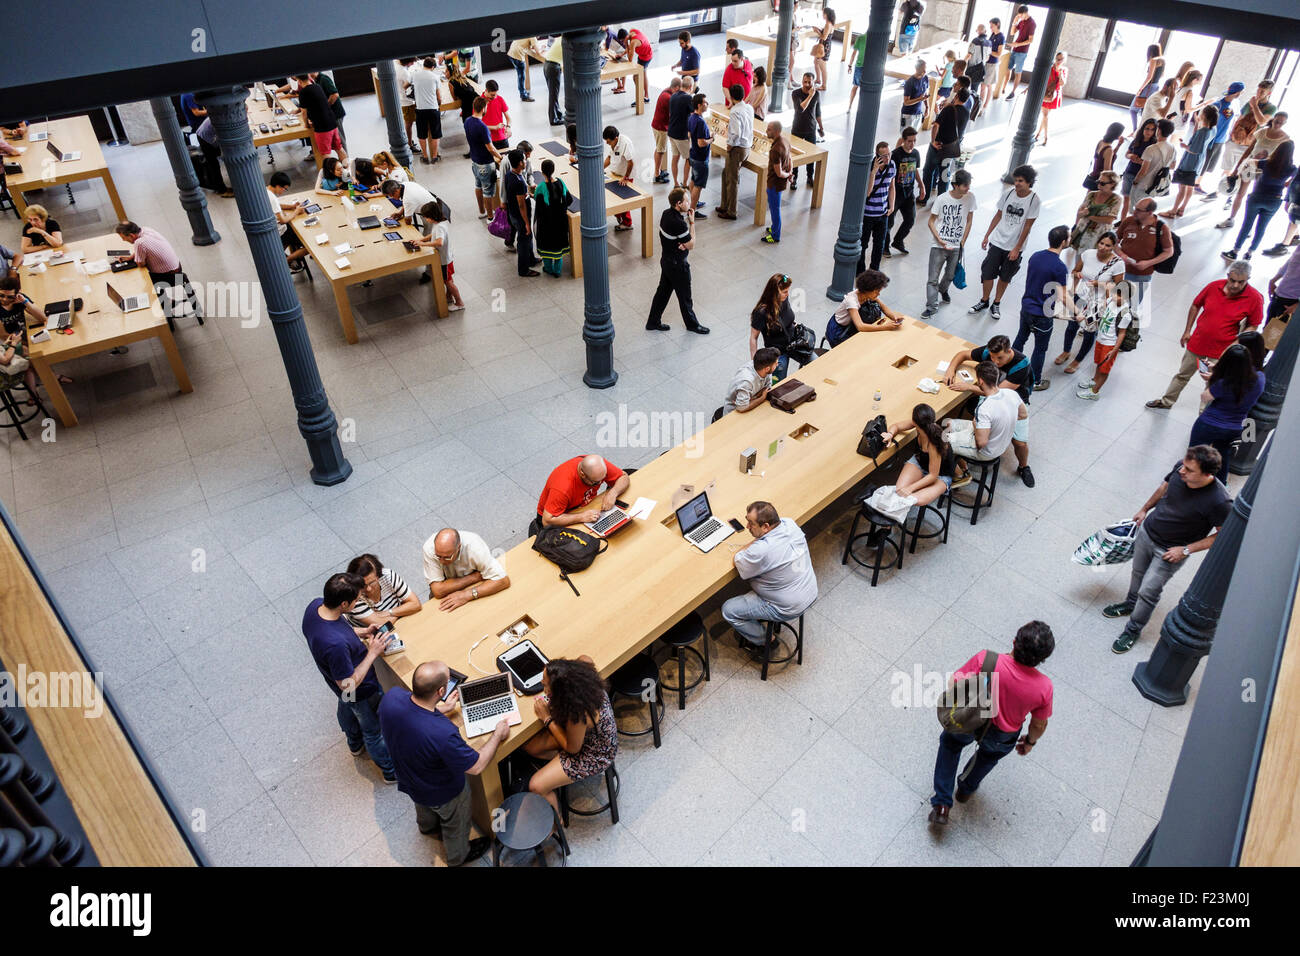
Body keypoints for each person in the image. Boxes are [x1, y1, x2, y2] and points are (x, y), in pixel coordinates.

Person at [378, 660, 507, 866]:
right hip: (443, 791)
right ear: (441, 690)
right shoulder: (443, 733)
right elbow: (477, 765)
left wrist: (441, 709)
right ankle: (458, 856)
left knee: (423, 806)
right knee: (456, 823)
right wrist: (498, 735)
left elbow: (414, 714)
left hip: (408, 776)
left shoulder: (392, 697)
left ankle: (427, 827)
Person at [1105, 447, 1231, 653]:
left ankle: (1133, 629)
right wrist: (1145, 509)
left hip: (1170, 551)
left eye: (1189, 470)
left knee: (1149, 590)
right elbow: (1164, 487)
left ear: (1207, 474)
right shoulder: (1180, 470)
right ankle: (1130, 603)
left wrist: (1186, 550)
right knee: (1137, 574)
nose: (1182, 471)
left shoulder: (1220, 501)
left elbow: (1222, 534)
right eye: (1183, 465)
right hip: (1148, 533)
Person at [927, 621, 1054, 825]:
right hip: (1004, 734)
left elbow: (954, 683)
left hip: (971, 720)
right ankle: (965, 790)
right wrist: (1029, 742)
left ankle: (942, 804)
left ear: (1014, 642)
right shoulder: (1044, 687)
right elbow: (1039, 724)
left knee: (950, 745)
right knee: (986, 759)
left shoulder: (988, 660)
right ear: (1043, 659)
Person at [302, 573, 397, 783]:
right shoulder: (334, 645)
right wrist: (372, 652)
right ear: (344, 603)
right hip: (360, 690)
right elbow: (348, 684)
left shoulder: (315, 607)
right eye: (355, 600)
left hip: (337, 682)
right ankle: (390, 771)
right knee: (373, 731)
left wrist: (362, 632)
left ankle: (354, 743)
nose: (358, 603)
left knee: (347, 708)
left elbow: (340, 629)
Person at [1146, 261, 1264, 409]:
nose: (1235, 285)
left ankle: (1204, 414)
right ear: (1228, 276)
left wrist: (1236, 344)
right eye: (1232, 280)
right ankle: (1166, 401)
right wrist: (1187, 330)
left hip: (1222, 352)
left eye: (1241, 282)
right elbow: (1196, 305)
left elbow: (1254, 324)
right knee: (1182, 375)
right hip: (1198, 344)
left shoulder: (1254, 298)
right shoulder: (1214, 286)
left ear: (1248, 279)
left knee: (1212, 382)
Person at [523, 656, 618, 816]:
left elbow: (573, 749)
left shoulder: (577, 713)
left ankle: (556, 822)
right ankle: (557, 768)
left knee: (536, 785)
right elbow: (586, 658)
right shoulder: (584, 668)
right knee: (531, 748)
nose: (544, 689)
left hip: (594, 753)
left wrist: (547, 718)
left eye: (546, 686)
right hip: (585, 735)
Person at [722, 501, 818, 650]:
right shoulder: (789, 524)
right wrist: (759, 537)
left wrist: (753, 543)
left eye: (751, 523)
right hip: (810, 590)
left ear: (766, 527)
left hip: (785, 606)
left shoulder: (761, 551)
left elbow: (738, 559)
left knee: (729, 610)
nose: (747, 527)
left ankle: (766, 640)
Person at [943, 339, 1034, 485]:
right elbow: (962, 354)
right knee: (982, 426)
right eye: (992, 357)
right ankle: (963, 467)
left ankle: (1024, 466)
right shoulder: (989, 351)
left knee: (1020, 442)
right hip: (996, 396)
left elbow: (998, 392)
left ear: (1009, 351)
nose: (995, 362)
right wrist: (950, 369)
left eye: (999, 358)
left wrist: (970, 388)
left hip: (1015, 401)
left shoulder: (1021, 365)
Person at [969, 165, 1040, 320]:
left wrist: (1017, 248)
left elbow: (1027, 226)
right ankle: (984, 300)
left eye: (1021, 181)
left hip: (1014, 246)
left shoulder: (1034, 200)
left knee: (1005, 277)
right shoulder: (1008, 194)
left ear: (1029, 182)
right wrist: (987, 235)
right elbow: (998, 214)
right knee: (987, 272)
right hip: (998, 241)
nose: (1017, 183)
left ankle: (997, 302)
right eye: (1016, 180)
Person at [1188, 344, 1265, 483]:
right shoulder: (1259, 378)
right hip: (1235, 428)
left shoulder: (1224, 383)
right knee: (1223, 456)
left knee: (1194, 454)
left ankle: (1191, 480)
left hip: (1209, 424)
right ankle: (1220, 485)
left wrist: (1212, 378)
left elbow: (1205, 397)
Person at [1057, 229, 1124, 375]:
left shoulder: (1118, 264)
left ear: (1113, 247)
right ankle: (1066, 351)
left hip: (1098, 302)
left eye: (1108, 246)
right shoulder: (1088, 254)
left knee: (1089, 332)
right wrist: (1077, 274)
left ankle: (1078, 360)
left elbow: (1118, 290)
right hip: (1081, 296)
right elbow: (1074, 271)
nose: (1103, 247)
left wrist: (1099, 284)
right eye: (1101, 243)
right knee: (1071, 326)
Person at [1012, 225, 1070, 390]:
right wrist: (1078, 313)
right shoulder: (1060, 267)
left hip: (1027, 307)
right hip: (1043, 314)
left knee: (1020, 338)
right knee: (1040, 348)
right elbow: (1063, 296)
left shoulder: (1035, 256)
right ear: (1064, 242)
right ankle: (1035, 380)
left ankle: (1009, 368)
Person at [112, 221, 202, 326]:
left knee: (142, 283)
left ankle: (162, 310)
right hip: (177, 268)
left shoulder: (139, 243)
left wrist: (135, 259)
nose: (123, 240)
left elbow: (141, 264)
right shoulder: (146, 230)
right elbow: (143, 252)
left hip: (169, 277)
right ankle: (167, 301)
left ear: (131, 235)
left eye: (124, 238)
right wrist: (132, 257)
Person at [647, 188, 709, 334]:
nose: (689, 203)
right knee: (685, 297)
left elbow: (683, 242)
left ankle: (653, 322)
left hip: (667, 261)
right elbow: (692, 244)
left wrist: (683, 243)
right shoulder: (679, 223)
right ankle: (692, 325)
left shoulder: (666, 214)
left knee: (662, 293)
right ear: (678, 204)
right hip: (678, 266)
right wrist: (692, 224)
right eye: (686, 201)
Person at [1224, 139, 1297, 261]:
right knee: (1261, 228)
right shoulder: (1292, 169)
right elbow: (1289, 184)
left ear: (1277, 150)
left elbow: (1249, 163)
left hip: (1257, 196)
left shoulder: (1265, 163)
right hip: (1274, 200)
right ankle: (1249, 253)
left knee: (1247, 225)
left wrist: (1257, 158)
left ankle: (1235, 251)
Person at [1074, 268, 1135, 401]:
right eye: (1115, 293)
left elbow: (1122, 333)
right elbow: (1108, 288)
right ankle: (1094, 381)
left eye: (1119, 295)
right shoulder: (1111, 302)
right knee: (1099, 364)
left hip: (1110, 344)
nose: (1114, 296)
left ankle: (1095, 391)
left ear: (1126, 297)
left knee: (1104, 369)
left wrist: (1114, 350)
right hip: (1101, 339)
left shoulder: (1125, 313)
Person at [921, 168, 975, 318]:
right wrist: (938, 238)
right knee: (932, 278)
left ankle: (943, 290)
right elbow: (931, 221)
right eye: (965, 185)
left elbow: (970, 220)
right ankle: (931, 306)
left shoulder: (970, 198)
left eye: (969, 185)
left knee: (950, 275)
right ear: (956, 185)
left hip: (957, 245)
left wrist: (963, 240)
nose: (968, 188)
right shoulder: (942, 199)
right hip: (939, 245)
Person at [533, 454, 630, 536]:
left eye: (603, 478)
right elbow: (547, 521)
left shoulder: (597, 466)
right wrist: (581, 517)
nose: (601, 482)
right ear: (582, 474)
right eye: (596, 482)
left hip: (585, 507)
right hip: (562, 516)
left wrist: (613, 493)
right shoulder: (562, 487)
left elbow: (623, 476)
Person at [883, 403, 955, 508]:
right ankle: (890, 521)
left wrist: (910, 488)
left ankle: (890, 520)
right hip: (921, 461)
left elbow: (933, 475)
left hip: (940, 474)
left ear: (916, 422)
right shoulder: (921, 425)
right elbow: (897, 426)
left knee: (912, 499)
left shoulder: (934, 442)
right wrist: (890, 434)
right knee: (899, 491)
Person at [423, 528, 510, 610]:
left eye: (447, 557)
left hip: (471, 587)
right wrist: (475, 577)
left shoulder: (475, 547)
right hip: (467, 582)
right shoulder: (429, 548)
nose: (441, 561)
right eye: (438, 556)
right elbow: (438, 591)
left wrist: (467, 595)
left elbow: (503, 580)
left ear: (459, 547)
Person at [1116, 197, 1174, 311]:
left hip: (1142, 274)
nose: (1134, 212)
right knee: (1115, 302)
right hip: (1121, 270)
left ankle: (1125, 326)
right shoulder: (1128, 221)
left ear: (1150, 212)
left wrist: (1148, 263)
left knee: (1132, 306)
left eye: (1139, 210)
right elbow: (1114, 242)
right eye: (1134, 208)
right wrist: (1122, 255)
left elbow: (1169, 251)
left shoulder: (1161, 228)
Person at [750, 274, 810, 380]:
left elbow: (787, 318)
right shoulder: (761, 312)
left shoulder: (783, 299)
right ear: (774, 292)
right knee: (779, 384)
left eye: (788, 291)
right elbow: (753, 338)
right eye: (784, 292)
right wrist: (755, 363)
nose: (788, 294)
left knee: (816, 362)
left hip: (794, 343)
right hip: (778, 353)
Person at [1163, 107, 1217, 219]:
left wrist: (1184, 146)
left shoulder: (1203, 132)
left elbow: (1194, 149)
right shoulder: (1213, 130)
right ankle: (1182, 208)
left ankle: (1173, 210)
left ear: (1204, 116)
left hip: (1190, 162)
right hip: (1199, 162)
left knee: (1182, 187)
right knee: (1189, 186)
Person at [1193, 82, 1245, 197]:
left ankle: (1198, 183)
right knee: (1204, 162)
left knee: (1211, 164)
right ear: (1237, 92)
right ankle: (1195, 184)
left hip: (1223, 139)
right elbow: (1204, 120)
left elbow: (1236, 118)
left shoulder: (1235, 104)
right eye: (1240, 92)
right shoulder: (1218, 105)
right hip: (1212, 138)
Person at [827, 269, 903, 346]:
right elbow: (860, 326)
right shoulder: (851, 301)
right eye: (876, 292)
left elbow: (882, 307)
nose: (878, 294)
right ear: (868, 290)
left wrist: (893, 317)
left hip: (851, 326)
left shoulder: (866, 294)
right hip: (838, 331)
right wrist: (885, 327)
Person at [343, 554, 421, 626]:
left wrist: (388, 613)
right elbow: (381, 625)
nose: (368, 589)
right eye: (363, 586)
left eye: (372, 582)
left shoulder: (388, 576)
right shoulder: (354, 596)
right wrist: (403, 611)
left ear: (378, 575)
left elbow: (415, 604)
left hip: (400, 623)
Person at [411, 201, 464, 309]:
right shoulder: (440, 223)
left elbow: (439, 242)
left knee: (448, 282)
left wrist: (423, 244)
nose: (426, 219)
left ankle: (459, 303)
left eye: (426, 217)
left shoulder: (439, 227)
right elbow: (433, 234)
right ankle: (449, 297)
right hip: (447, 257)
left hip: (443, 260)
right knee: (448, 280)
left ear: (432, 216)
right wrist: (421, 239)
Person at [857, 141, 896, 273]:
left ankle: (874, 271)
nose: (887, 158)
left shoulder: (892, 166)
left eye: (889, 154)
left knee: (879, 245)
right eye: (884, 156)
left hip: (883, 213)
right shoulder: (869, 167)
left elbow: (892, 187)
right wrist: (873, 172)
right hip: (868, 214)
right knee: (863, 244)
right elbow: (867, 192)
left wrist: (892, 205)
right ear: (877, 156)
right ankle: (860, 271)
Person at [922, 89, 968, 200]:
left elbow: (936, 126)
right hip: (950, 150)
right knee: (944, 175)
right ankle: (941, 200)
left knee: (928, 171)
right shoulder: (966, 112)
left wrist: (933, 142)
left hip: (938, 146)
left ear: (956, 96)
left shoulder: (949, 109)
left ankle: (924, 198)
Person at [532, 159, 574, 278]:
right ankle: (557, 271)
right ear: (554, 170)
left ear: (542, 172)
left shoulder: (540, 187)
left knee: (546, 246)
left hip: (546, 224)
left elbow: (538, 202)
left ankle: (549, 268)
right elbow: (569, 200)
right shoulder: (561, 183)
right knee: (558, 247)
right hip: (561, 222)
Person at [0, 276, 41, 397]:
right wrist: (21, 342)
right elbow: (3, 336)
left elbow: (42, 318)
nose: (4, 299)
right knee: (31, 352)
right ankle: (51, 378)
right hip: (6, 344)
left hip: (16, 336)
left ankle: (36, 391)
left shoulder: (19, 299)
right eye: (1, 295)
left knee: (33, 350)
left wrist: (25, 302)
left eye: (9, 297)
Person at [719, 82, 753, 225]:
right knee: (725, 174)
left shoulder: (734, 112)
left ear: (731, 97)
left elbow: (736, 132)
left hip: (737, 148)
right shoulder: (749, 108)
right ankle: (724, 205)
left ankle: (731, 211)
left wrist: (729, 145)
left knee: (732, 180)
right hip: (747, 147)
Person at [888, 127, 926, 256]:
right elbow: (890, 175)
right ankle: (883, 246)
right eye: (910, 141)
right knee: (889, 222)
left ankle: (898, 241)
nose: (912, 144)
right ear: (903, 140)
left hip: (909, 193)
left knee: (910, 219)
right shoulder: (895, 154)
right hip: (896, 194)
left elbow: (915, 170)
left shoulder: (915, 153)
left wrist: (921, 185)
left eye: (914, 141)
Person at [501, 149, 538, 278]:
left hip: (513, 213)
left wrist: (528, 194)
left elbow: (516, 195)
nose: (525, 161)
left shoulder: (510, 175)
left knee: (527, 238)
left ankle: (532, 259)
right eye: (523, 159)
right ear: (519, 163)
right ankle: (524, 269)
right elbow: (521, 205)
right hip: (520, 216)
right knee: (524, 241)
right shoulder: (518, 182)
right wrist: (527, 223)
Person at [465, 96, 503, 220]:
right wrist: (500, 157)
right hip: (485, 163)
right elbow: (490, 147)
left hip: (474, 161)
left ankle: (482, 212)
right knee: (488, 191)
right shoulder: (482, 127)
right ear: (483, 109)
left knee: (478, 186)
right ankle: (490, 217)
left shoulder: (467, 121)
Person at [294, 74, 346, 163]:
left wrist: (306, 124)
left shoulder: (303, 92)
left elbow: (304, 112)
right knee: (339, 148)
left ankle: (330, 175)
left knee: (326, 154)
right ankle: (347, 169)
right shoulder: (317, 86)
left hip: (322, 126)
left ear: (299, 81)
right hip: (332, 122)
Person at [1071, 170, 1121, 259]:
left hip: (1099, 235)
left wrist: (1090, 216)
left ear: (1112, 184)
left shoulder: (1116, 199)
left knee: (1092, 260)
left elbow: (1109, 220)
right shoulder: (1091, 194)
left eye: (1102, 183)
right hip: (1083, 232)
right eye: (1098, 182)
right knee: (1079, 258)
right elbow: (1079, 213)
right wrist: (1082, 214)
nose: (1099, 185)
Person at [1129, 118, 1177, 210]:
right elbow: (1173, 166)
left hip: (1144, 184)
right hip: (1156, 186)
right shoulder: (1172, 148)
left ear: (1159, 131)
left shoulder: (1151, 149)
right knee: (1146, 209)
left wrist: (1135, 181)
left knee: (1135, 208)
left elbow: (1143, 170)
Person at [266, 172, 310, 271]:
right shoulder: (272, 198)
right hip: (280, 232)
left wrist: (292, 207)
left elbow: (278, 205)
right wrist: (296, 211)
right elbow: (283, 220)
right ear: (278, 186)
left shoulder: (266, 191)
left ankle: (290, 257)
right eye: (284, 188)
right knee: (310, 244)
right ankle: (287, 260)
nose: (284, 191)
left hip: (274, 230)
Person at [1119, 118, 1159, 222]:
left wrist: (1141, 162)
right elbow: (1126, 154)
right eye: (1147, 128)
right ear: (1143, 129)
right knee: (1126, 199)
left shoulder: (1153, 145)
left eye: (1152, 129)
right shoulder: (1137, 140)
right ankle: (1123, 221)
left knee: (1138, 203)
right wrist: (1131, 156)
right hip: (1129, 172)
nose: (1149, 132)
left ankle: (1134, 222)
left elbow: (1152, 164)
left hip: (1141, 177)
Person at [789, 74, 825, 191]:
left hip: (811, 129)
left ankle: (810, 177)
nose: (807, 85)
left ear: (813, 82)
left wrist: (821, 127)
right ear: (802, 81)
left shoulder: (817, 94)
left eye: (809, 82)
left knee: (811, 155)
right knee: (795, 155)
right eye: (805, 82)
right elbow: (800, 109)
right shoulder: (796, 94)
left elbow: (818, 112)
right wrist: (810, 96)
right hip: (797, 129)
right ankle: (794, 178)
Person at [599, 125, 636, 233]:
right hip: (616, 174)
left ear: (615, 138)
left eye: (608, 141)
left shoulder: (625, 144)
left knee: (623, 201)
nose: (606, 143)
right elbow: (609, 158)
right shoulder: (613, 143)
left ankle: (627, 223)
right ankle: (619, 217)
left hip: (625, 175)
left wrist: (626, 178)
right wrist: (599, 169)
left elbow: (631, 162)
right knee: (614, 199)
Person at [723, 347, 780, 415]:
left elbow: (767, 389)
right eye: (776, 364)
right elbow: (741, 407)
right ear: (767, 369)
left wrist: (752, 399)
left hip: (750, 405)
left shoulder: (764, 369)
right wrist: (762, 398)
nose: (777, 365)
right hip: (734, 413)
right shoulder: (747, 381)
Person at [762, 120, 793, 244]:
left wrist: (787, 175)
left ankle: (775, 235)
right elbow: (790, 158)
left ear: (776, 131)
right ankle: (775, 228)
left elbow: (779, 173)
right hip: (779, 184)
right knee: (775, 207)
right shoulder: (785, 141)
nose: (766, 131)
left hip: (774, 183)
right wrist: (790, 173)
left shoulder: (775, 150)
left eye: (769, 129)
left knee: (775, 209)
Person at [408, 57, 442, 165]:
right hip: (433, 108)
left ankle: (425, 156)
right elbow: (439, 96)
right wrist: (439, 103)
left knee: (422, 134)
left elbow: (406, 85)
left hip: (420, 109)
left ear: (424, 65)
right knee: (435, 133)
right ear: (433, 67)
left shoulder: (415, 75)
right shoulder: (435, 77)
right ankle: (435, 156)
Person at [686, 92, 713, 219]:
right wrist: (711, 139)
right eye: (705, 103)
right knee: (698, 184)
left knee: (693, 179)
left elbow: (690, 135)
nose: (707, 104)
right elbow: (701, 143)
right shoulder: (701, 122)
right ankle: (692, 210)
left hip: (693, 155)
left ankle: (693, 202)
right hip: (701, 158)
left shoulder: (692, 118)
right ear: (699, 105)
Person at [667, 76, 696, 190]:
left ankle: (675, 183)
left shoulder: (673, 96)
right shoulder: (688, 98)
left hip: (671, 131)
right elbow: (694, 113)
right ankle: (684, 183)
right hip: (681, 134)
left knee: (675, 157)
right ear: (690, 86)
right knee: (688, 159)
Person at [1130, 43, 1166, 131]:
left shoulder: (1153, 60)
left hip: (1149, 87)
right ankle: (1142, 130)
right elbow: (1162, 75)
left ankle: (1135, 130)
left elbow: (1149, 77)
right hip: (1156, 86)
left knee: (1133, 109)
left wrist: (1140, 89)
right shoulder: (1162, 60)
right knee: (1145, 110)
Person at [1003, 5, 1036, 100]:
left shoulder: (1032, 23)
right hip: (1015, 49)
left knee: (1018, 72)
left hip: (1022, 52)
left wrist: (1018, 44)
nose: (1020, 16)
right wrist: (1014, 22)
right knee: (1008, 69)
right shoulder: (1022, 21)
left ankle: (1013, 92)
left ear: (1025, 13)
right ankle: (1003, 88)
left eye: (1020, 15)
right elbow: (1012, 33)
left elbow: (1030, 40)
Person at [650, 78, 679, 185]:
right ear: (676, 87)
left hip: (658, 125)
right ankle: (657, 175)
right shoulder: (668, 98)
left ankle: (659, 171)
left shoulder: (667, 92)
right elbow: (674, 115)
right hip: (661, 127)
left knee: (659, 148)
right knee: (660, 150)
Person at [310, 70, 348, 149]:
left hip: (336, 113)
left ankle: (346, 159)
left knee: (340, 138)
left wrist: (325, 107)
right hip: (330, 113)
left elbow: (334, 94)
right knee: (337, 138)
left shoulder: (324, 79)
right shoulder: (315, 81)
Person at [1035, 52, 1067, 144]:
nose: (1059, 61)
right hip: (1046, 93)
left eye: (1061, 59)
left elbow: (1062, 83)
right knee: (1045, 115)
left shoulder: (1064, 70)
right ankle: (1046, 137)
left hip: (1055, 94)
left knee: (1046, 116)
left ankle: (1038, 134)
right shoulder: (1050, 67)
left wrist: (1060, 74)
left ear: (1064, 60)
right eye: (1057, 59)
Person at [617, 26, 654, 104]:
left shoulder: (633, 42)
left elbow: (630, 59)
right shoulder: (632, 31)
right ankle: (646, 97)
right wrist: (621, 54)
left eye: (623, 40)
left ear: (626, 37)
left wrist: (626, 44)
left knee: (636, 77)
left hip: (646, 57)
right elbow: (630, 50)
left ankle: (641, 98)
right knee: (643, 75)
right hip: (643, 55)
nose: (623, 42)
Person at [506, 37, 542, 102]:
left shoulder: (527, 32)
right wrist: (541, 49)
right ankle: (523, 96)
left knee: (520, 75)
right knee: (521, 76)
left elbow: (526, 44)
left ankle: (523, 92)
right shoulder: (533, 37)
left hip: (511, 53)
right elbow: (538, 53)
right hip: (517, 56)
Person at [809, 7, 836, 91]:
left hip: (824, 47)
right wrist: (818, 30)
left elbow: (824, 37)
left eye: (823, 13)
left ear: (826, 14)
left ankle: (824, 86)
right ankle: (818, 79)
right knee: (816, 62)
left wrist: (816, 31)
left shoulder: (828, 24)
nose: (822, 15)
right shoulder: (829, 23)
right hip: (823, 45)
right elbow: (824, 34)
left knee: (822, 66)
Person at [899, 59, 929, 132]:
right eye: (923, 70)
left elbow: (925, 94)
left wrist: (927, 107)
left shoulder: (925, 78)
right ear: (917, 69)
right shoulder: (909, 82)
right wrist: (920, 99)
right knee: (905, 138)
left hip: (918, 113)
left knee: (913, 136)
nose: (925, 72)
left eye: (925, 69)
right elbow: (906, 102)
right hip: (908, 114)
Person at [482, 79, 511, 151]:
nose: (495, 97)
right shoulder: (480, 102)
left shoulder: (500, 99)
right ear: (486, 90)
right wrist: (494, 127)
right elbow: (478, 125)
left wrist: (508, 127)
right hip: (488, 140)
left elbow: (508, 118)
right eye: (492, 95)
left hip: (502, 138)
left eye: (496, 94)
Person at [964, 24, 992, 102]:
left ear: (978, 31)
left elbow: (969, 55)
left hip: (972, 68)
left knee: (965, 87)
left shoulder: (975, 41)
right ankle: (973, 107)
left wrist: (962, 62)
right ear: (985, 31)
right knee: (974, 90)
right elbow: (988, 58)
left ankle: (966, 104)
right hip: (981, 69)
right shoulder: (989, 43)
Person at [980, 18, 1003, 106]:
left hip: (992, 64)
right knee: (987, 85)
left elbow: (999, 54)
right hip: (987, 62)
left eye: (992, 26)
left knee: (985, 85)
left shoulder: (1001, 37)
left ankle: (982, 105)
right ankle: (983, 105)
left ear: (997, 24)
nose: (990, 28)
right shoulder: (993, 34)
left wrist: (989, 52)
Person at [543, 35, 565, 126]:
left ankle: (558, 115)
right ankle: (553, 120)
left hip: (547, 64)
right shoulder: (567, 42)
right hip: (553, 67)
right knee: (553, 95)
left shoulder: (561, 38)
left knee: (553, 94)